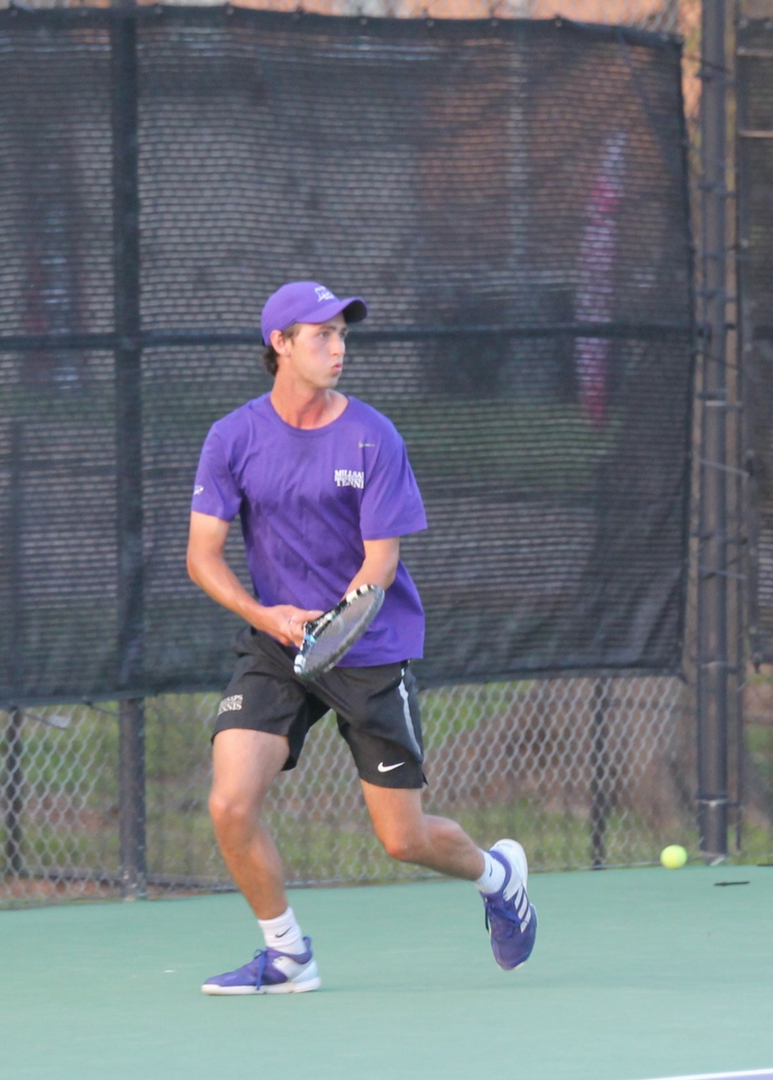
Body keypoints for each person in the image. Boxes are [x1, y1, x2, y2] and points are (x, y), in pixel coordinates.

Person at [185, 281, 537, 995]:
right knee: (229, 802)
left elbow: (382, 560)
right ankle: (287, 956)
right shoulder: (234, 437)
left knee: (402, 840)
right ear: (280, 345)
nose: (339, 348)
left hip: (370, 645)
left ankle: (498, 876)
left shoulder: (373, 436)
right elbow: (202, 556)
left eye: (343, 335)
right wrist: (270, 618)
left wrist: (338, 625)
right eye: (322, 336)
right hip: (277, 645)